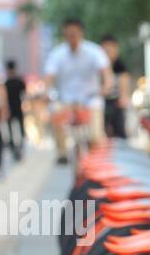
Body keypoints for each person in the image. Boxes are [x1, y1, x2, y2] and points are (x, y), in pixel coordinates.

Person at [44, 18, 112, 165]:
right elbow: (48, 78)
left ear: (81, 34)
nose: (71, 38)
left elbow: (106, 75)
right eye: (68, 35)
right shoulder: (57, 54)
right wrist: (45, 92)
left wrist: (106, 87)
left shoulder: (94, 51)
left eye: (74, 34)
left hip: (90, 100)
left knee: (95, 135)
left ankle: (98, 161)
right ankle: (61, 152)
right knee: (55, 111)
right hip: (66, 101)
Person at [100, 36, 131, 139]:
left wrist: (124, 97)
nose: (108, 53)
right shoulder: (98, 66)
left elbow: (124, 83)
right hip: (101, 102)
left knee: (119, 129)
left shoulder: (120, 65)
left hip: (116, 102)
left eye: (110, 49)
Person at [4, 61, 27, 160]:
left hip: (15, 108)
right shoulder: (11, 82)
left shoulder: (9, 82)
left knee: (18, 128)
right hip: (13, 108)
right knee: (14, 129)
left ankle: (18, 147)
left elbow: (24, 95)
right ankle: (16, 148)